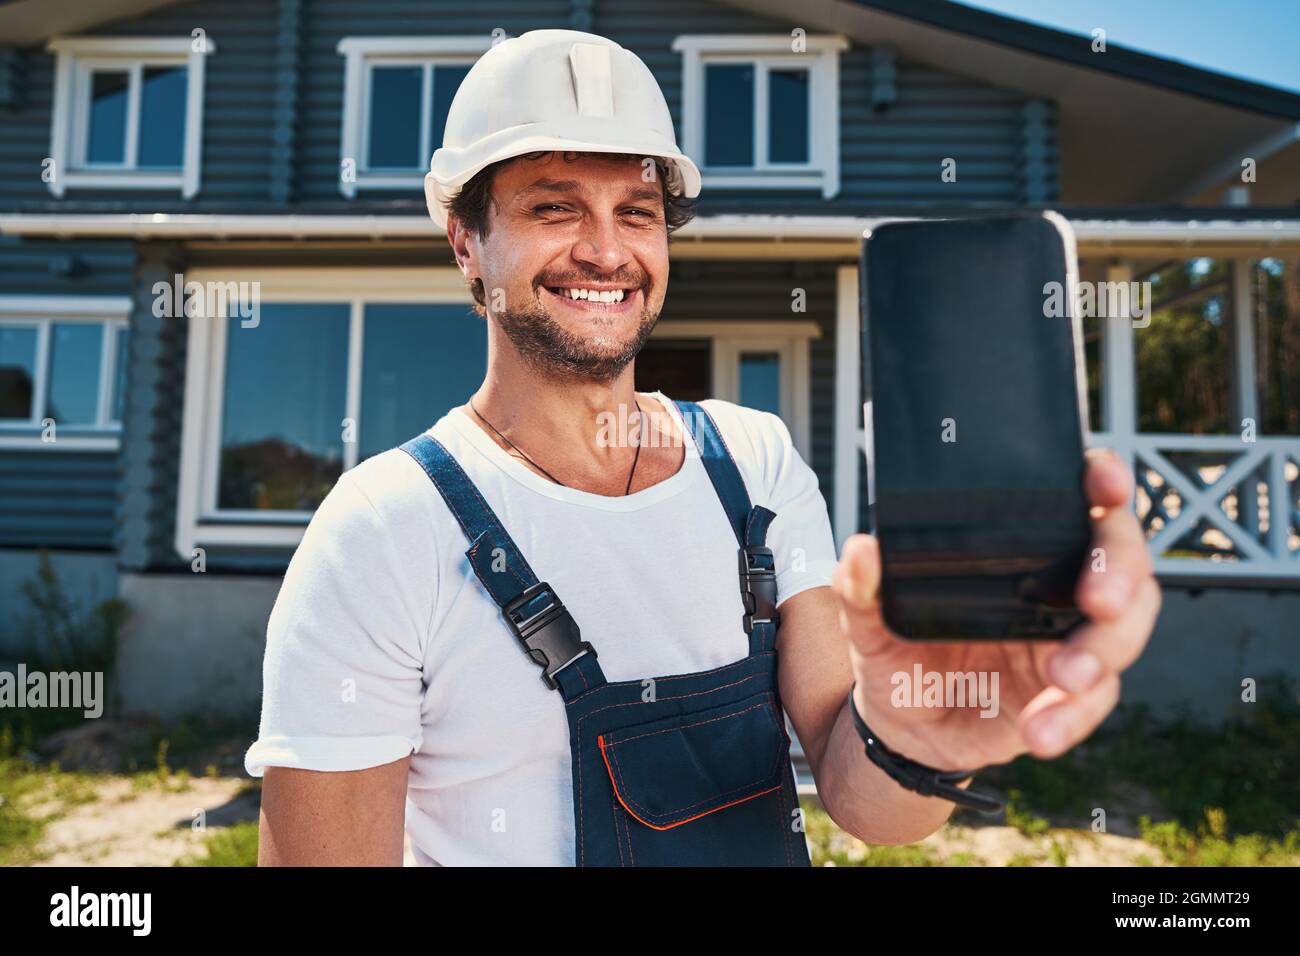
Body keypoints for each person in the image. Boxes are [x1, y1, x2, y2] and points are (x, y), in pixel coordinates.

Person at [245, 29, 1159, 866]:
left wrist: (928, 736)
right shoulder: (382, 532)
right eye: (555, 207)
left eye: (637, 212)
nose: (606, 252)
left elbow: (861, 798)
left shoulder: (751, 467)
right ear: (467, 245)